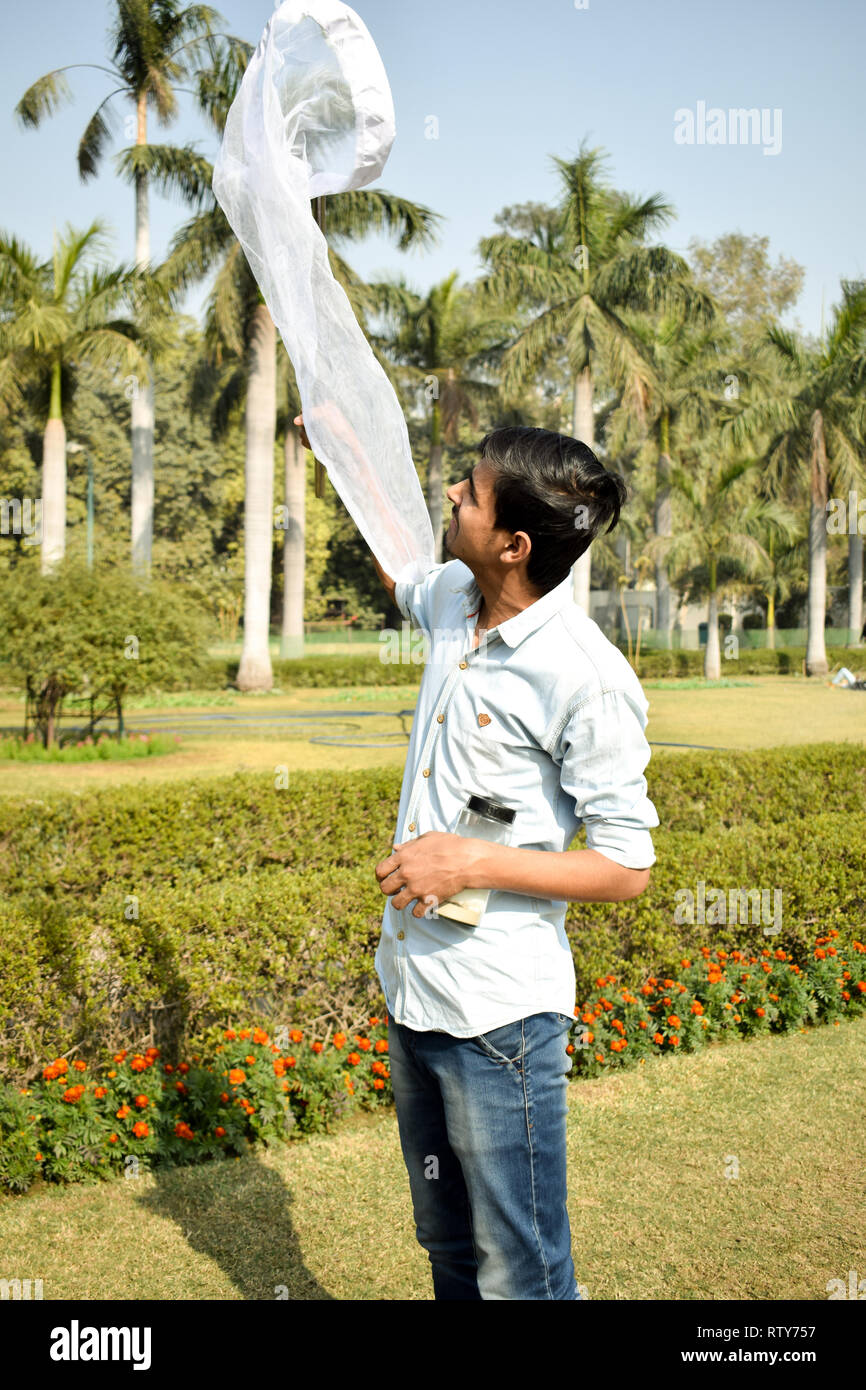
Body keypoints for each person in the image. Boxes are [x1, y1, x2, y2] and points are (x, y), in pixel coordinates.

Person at [295, 415, 658, 1300]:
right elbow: (397, 571)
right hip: (415, 991)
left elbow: (626, 865)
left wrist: (470, 864)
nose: (453, 494)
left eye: (471, 490)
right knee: (448, 1244)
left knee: (521, 1269)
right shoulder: (456, 599)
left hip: (500, 1021)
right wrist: (344, 447)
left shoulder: (586, 676)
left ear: (513, 544)